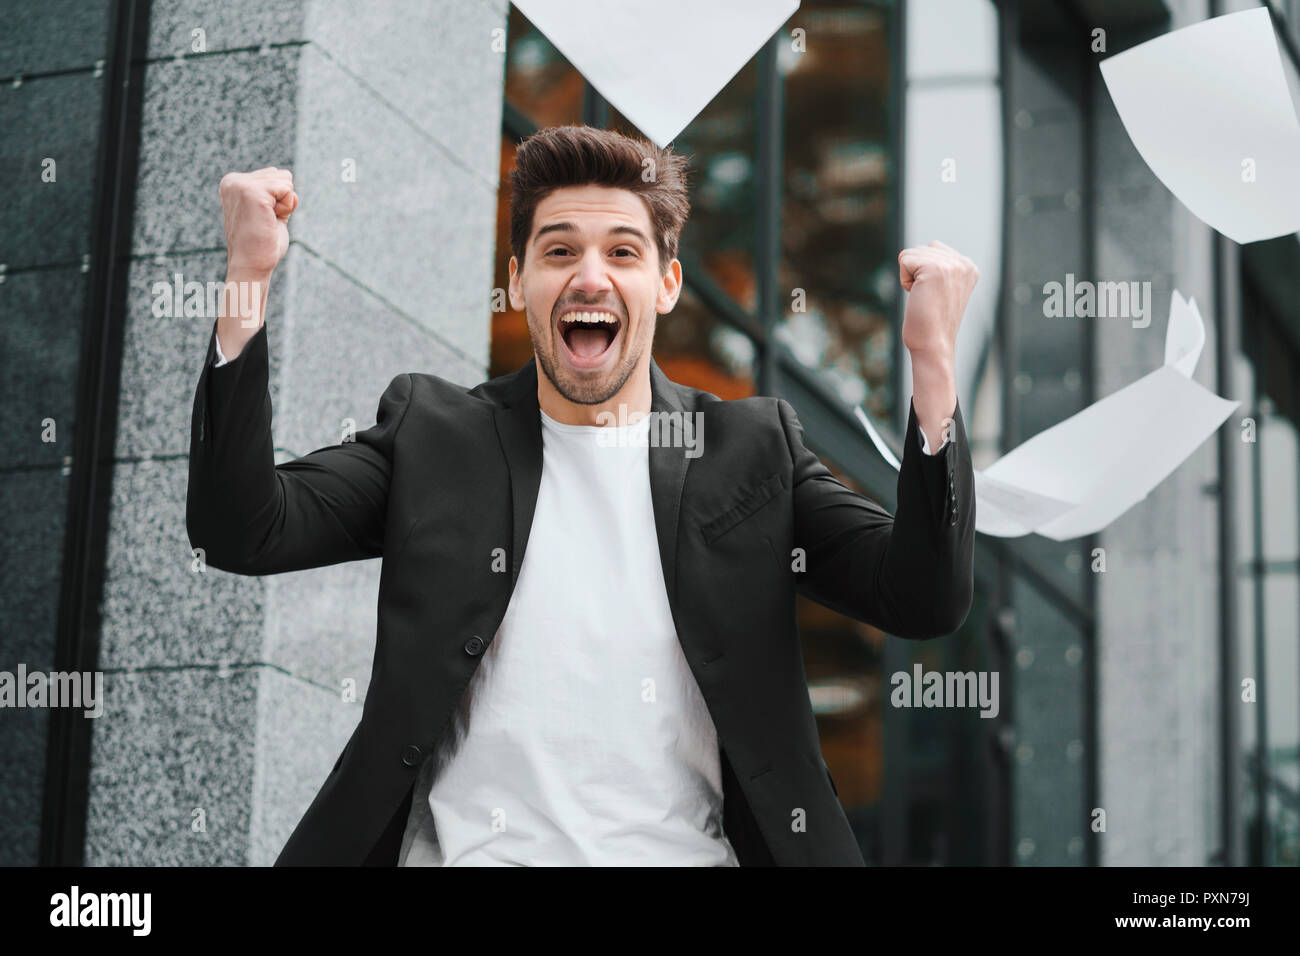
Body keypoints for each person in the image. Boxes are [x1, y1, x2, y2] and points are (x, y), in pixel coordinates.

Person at [187, 124, 977, 866]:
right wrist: (247, 282)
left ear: (666, 284)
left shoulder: (749, 450)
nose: (589, 276)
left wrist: (933, 363)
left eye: (623, 252)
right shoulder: (435, 435)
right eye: (558, 249)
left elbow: (921, 599)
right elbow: (242, 531)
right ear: (519, 280)